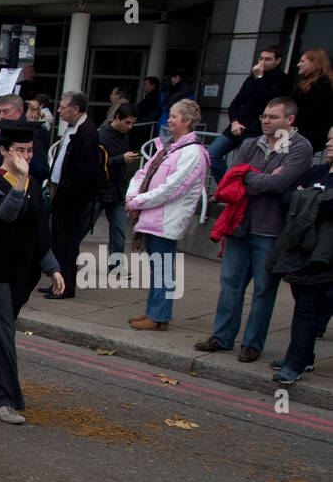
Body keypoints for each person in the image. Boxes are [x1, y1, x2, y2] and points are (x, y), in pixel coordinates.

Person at [0, 121, 65, 424]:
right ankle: (1, 399)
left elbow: (38, 233)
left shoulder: (31, 183)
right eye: (19, 150)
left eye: (30, 151)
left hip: (18, 273)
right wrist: (20, 181)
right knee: (3, 334)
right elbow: (6, 215)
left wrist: (53, 269)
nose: (25, 157)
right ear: (4, 150)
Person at [194, 97, 312, 358]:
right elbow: (231, 179)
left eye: (273, 117)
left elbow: (279, 185)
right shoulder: (251, 144)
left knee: (263, 291)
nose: (265, 121)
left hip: (271, 230)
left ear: (290, 120)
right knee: (230, 286)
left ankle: (252, 344)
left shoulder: (300, 148)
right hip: (240, 224)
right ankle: (222, 337)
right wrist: (264, 178)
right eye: (264, 116)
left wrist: (253, 177)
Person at [123, 99, 209, 330]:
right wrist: (132, 197)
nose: (169, 120)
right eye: (170, 115)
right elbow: (142, 173)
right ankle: (154, 311)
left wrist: (138, 201)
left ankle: (159, 316)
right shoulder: (171, 147)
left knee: (162, 268)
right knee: (157, 267)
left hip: (166, 219)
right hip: (153, 216)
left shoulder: (193, 153)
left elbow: (173, 188)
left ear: (188, 121)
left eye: (174, 116)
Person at [269, 128, 333, 384]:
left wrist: (307, 199)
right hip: (302, 251)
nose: (328, 143)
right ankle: (302, 356)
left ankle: (295, 364)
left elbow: (329, 208)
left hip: (325, 256)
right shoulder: (317, 172)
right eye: (329, 138)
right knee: (304, 305)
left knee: (309, 307)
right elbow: (287, 198)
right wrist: (314, 200)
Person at [41, 91, 104, 299]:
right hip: (60, 191)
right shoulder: (72, 128)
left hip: (71, 197)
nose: (59, 110)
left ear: (75, 109)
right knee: (58, 240)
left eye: (63, 107)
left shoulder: (87, 131)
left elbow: (86, 171)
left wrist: (69, 191)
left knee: (67, 242)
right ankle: (57, 282)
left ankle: (66, 286)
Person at [210, 47, 290, 182]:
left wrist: (259, 78)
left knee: (243, 162)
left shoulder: (282, 80)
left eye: (268, 59)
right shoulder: (250, 79)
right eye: (261, 58)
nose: (263, 62)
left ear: (278, 61)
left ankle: (238, 191)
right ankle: (226, 186)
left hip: (256, 129)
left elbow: (267, 100)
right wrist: (234, 122)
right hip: (237, 125)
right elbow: (235, 103)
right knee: (211, 154)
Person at [92, 103, 140, 267]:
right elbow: (97, 163)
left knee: (119, 230)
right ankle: (66, 258)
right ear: (118, 118)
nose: (130, 127)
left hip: (118, 190)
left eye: (132, 123)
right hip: (101, 189)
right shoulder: (101, 135)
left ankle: (117, 266)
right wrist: (122, 159)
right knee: (84, 226)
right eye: (128, 122)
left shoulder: (124, 135)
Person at [0, 94, 49, 179]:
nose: (1, 116)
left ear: (19, 111)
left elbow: (42, 170)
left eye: (6, 111)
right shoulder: (0, 131)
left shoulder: (30, 134)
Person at [292, 49, 333, 149]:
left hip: (306, 136)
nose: (298, 65)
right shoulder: (306, 83)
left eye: (302, 61)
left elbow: (315, 111)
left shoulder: (322, 84)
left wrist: (293, 128)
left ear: (314, 63)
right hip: (299, 134)